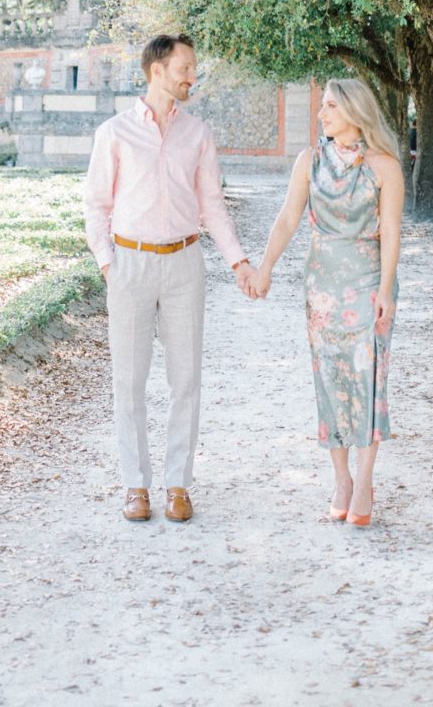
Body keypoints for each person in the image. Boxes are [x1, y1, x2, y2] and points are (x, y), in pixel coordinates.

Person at [83, 34, 259, 524]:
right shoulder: (114, 133)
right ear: (156, 71)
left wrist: (239, 263)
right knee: (129, 381)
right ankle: (135, 485)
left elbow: (212, 206)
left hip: (184, 264)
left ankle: (178, 484)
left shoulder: (197, 133)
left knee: (186, 379)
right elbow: (96, 205)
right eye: (185, 68)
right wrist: (108, 264)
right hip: (130, 263)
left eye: (193, 68)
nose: (192, 77)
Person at [253, 78, 403, 528]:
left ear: (356, 111)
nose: (322, 114)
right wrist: (265, 268)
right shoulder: (309, 161)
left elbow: (391, 232)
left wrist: (386, 289)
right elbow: (287, 219)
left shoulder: (384, 166)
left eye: (331, 106)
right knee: (331, 380)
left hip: (369, 284)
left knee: (369, 381)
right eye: (323, 106)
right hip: (322, 287)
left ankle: (365, 481)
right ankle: (341, 479)